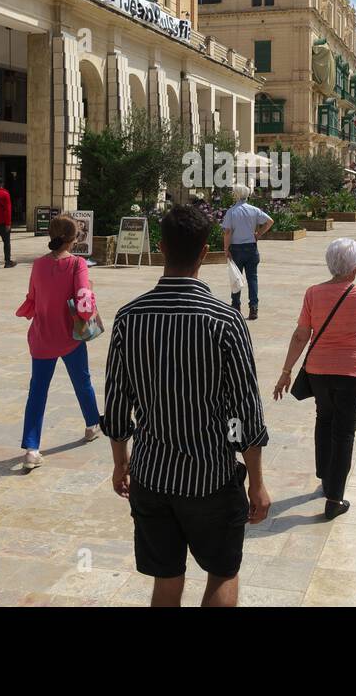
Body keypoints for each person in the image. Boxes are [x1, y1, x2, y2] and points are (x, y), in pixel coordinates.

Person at [103, 205, 271, 607]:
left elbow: (116, 402)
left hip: (152, 475)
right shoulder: (225, 321)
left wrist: (120, 462)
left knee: (166, 578)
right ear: (204, 252)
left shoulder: (129, 318)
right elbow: (244, 411)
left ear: (160, 248)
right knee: (222, 572)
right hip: (210, 477)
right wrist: (257, 481)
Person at [274, 239, 356, 519]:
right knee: (344, 431)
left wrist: (286, 371)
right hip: (351, 371)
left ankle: (326, 478)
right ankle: (335, 499)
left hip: (318, 371)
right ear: (355, 266)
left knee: (324, 419)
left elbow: (301, 334)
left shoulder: (313, 293)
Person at [14, 215, 103, 470]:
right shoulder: (78, 264)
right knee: (82, 380)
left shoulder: (39, 264)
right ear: (74, 239)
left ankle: (31, 448)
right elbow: (84, 303)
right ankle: (91, 423)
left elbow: (32, 296)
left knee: (37, 391)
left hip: (42, 336)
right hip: (70, 336)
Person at [221, 185, 272, 321]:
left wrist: (226, 249)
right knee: (252, 278)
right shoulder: (254, 210)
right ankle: (253, 308)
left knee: (236, 278)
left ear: (236, 195)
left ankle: (235, 307)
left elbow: (227, 232)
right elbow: (269, 221)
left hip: (236, 249)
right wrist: (258, 234)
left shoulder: (231, 212)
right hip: (251, 247)